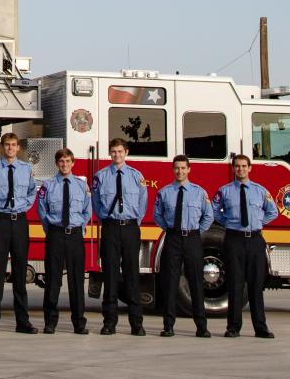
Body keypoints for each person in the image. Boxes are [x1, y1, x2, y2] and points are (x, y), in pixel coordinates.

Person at [211, 153, 279, 338]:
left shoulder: (260, 191)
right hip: (234, 240)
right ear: (233, 169)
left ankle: (260, 327)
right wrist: (228, 222)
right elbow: (215, 211)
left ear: (250, 168)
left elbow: (273, 212)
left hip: (255, 240)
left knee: (256, 285)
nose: (240, 169)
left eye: (243, 166)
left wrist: (257, 221)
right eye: (237, 166)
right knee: (235, 284)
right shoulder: (224, 191)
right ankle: (233, 327)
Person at [0, 132, 37, 334]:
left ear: (18, 148)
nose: (10, 148)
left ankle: (22, 322)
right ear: (2, 147)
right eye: (7, 145)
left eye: (14, 145)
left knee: (20, 273)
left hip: (20, 222)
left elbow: (32, 191)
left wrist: (23, 207)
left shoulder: (26, 169)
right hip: (1, 221)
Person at [91, 138, 148, 336]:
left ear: (126, 152)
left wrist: (134, 222)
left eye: (120, 151)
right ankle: (109, 322)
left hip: (131, 228)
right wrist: (106, 220)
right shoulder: (101, 176)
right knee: (110, 276)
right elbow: (96, 203)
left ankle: (136, 323)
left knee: (132, 276)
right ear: (110, 153)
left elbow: (142, 203)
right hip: (110, 228)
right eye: (113, 151)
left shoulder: (136, 176)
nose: (117, 155)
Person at [153, 154, 212, 338]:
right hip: (173, 238)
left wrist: (195, 232)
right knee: (170, 282)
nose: (180, 171)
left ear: (189, 169)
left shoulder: (199, 192)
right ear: (173, 170)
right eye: (177, 168)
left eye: (183, 168)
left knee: (195, 282)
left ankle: (201, 326)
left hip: (192, 239)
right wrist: (171, 230)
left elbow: (208, 216)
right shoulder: (164, 192)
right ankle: (168, 325)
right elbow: (158, 215)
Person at [36, 148, 91, 335]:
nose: (64, 164)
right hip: (56, 235)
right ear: (56, 163)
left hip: (75, 235)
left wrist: (79, 228)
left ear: (73, 163)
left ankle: (79, 322)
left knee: (76, 281)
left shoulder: (81, 186)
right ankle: (50, 322)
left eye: (68, 161)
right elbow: (42, 211)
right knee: (53, 280)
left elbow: (86, 211)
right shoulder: (48, 186)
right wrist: (51, 230)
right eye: (61, 161)